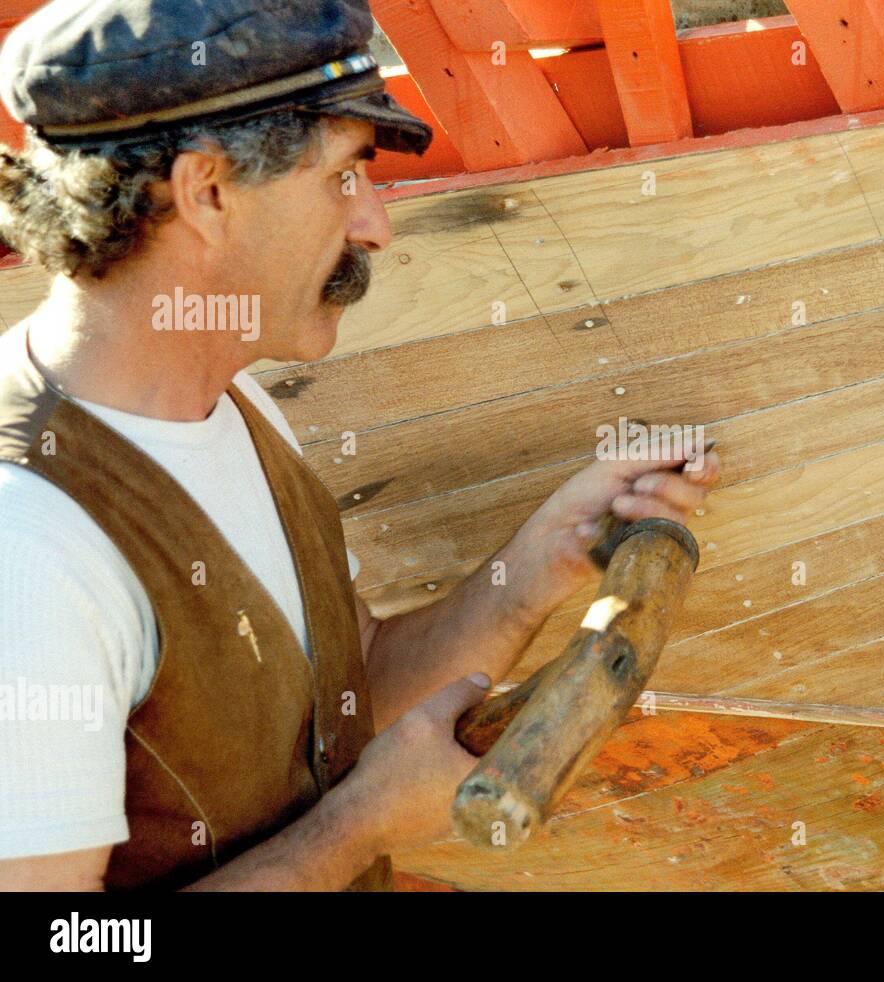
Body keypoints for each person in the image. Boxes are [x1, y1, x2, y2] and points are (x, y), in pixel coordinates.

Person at [0, 0, 719, 890]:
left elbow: (346, 696)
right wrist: (356, 827)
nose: (375, 224)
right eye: (344, 177)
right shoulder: (29, 548)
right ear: (208, 192)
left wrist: (546, 557)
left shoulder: (234, 401)